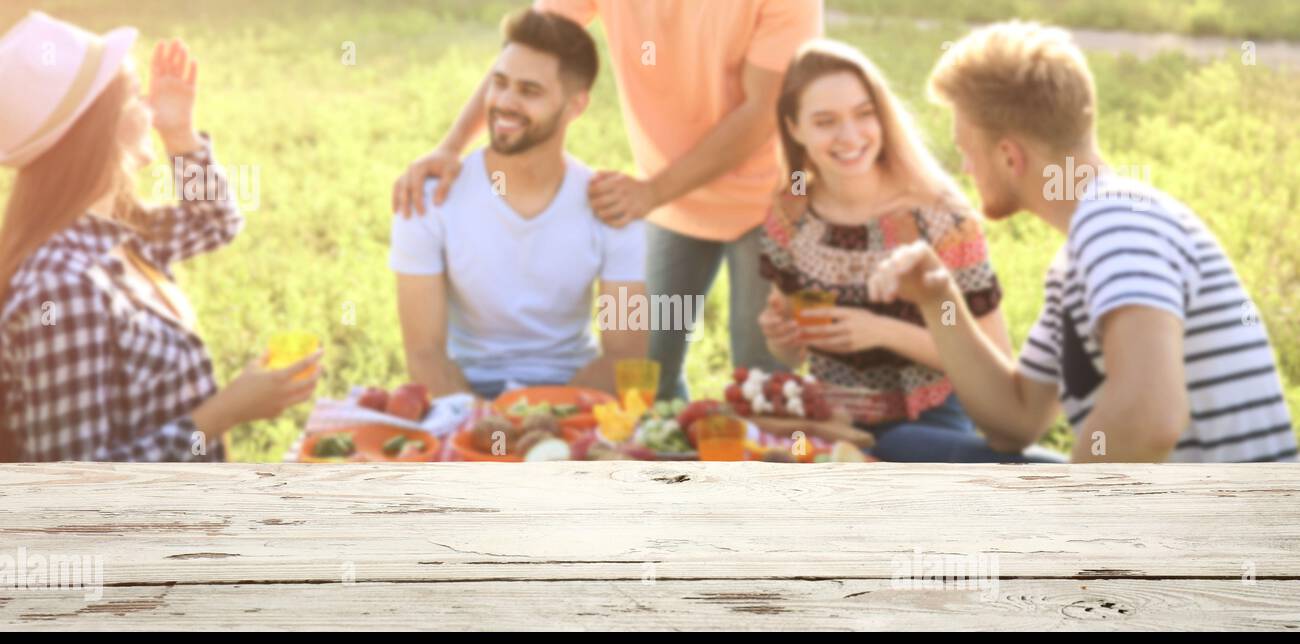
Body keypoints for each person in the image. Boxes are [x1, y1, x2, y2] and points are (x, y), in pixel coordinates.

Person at [868, 21, 1297, 462]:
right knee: (904, 446)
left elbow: (1150, 418)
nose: (965, 169)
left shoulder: (1117, 220)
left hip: (1230, 522)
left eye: (966, 150)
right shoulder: (1078, 259)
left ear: (1009, 156)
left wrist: (1066, 519)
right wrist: (936, 297)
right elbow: (1016, 420)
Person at [393, 0, 824, 400]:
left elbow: (763, 111)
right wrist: (451, 147)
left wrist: (652, 191)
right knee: (647, 372)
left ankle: (769, 478)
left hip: (769, 202)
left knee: (763, 377)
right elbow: (529, 50)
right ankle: (669, 470)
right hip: (669, 201)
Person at [0, 12, 319, 462]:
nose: (149, 107)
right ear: (97, 127)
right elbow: (76, 495)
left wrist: (179, 134)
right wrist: (223, 412)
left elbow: (215, 222)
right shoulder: (63, 287)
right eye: (134, 96)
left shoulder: (112, 235)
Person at [755, 39, 1060, 463]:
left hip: (927, 424)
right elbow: (792, 351)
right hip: (830, 425)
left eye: (864, 114)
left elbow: (996, 362)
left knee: (1023, 470)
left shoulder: (939, 215)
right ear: (794, 129)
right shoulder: (791, 211)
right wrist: (782, 339)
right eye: (825, 121)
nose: (850, 136)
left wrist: (882, 331)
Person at [390, 9, 647, 401]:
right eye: (499, 83)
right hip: (462, 393)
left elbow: (624, 357)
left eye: (529, 91)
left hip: (572, 393)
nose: (505, 103)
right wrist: (485, 425)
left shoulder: (613, 210)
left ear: (575, 107)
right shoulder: (427, 199)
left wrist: (540, 425)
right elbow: (424, 356)